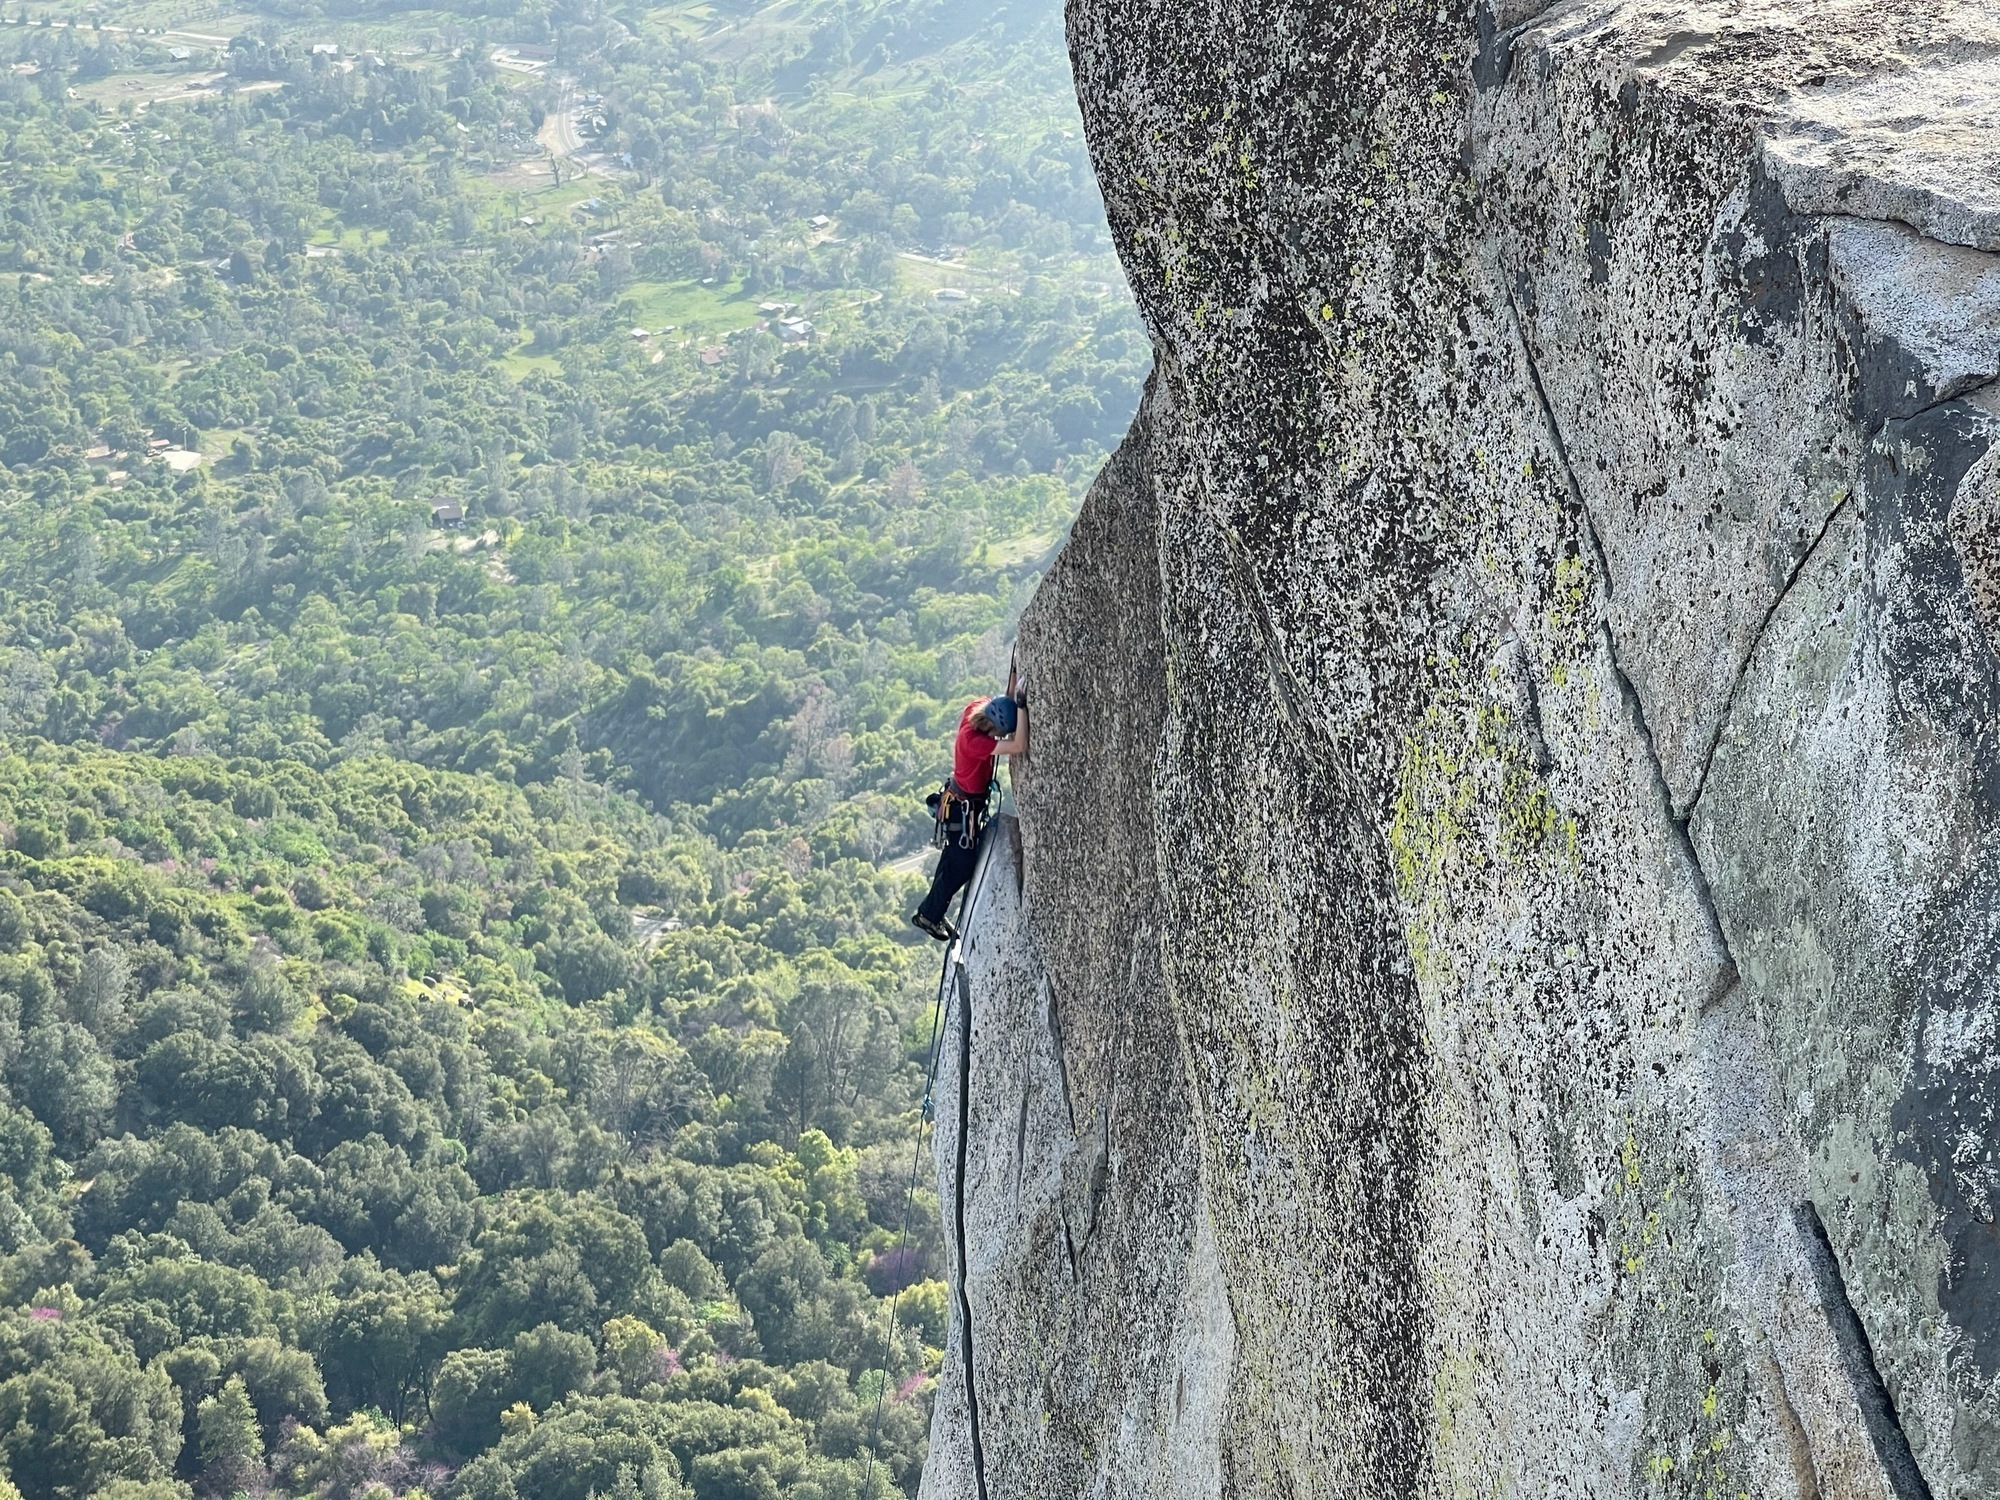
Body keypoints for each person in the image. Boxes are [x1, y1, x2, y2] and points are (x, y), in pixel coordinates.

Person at [912, 666, 1028, 940]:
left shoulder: (976, 709)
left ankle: (930, 913)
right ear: (994, 729)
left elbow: (1003, 700)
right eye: (1000, 733)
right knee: (961, 864)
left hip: (959, 803)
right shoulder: (974, 741)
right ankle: (929, 915)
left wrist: (1013, 681)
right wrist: (1021, 708)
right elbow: (1019, 745)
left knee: (952, 860)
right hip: (964, 808)